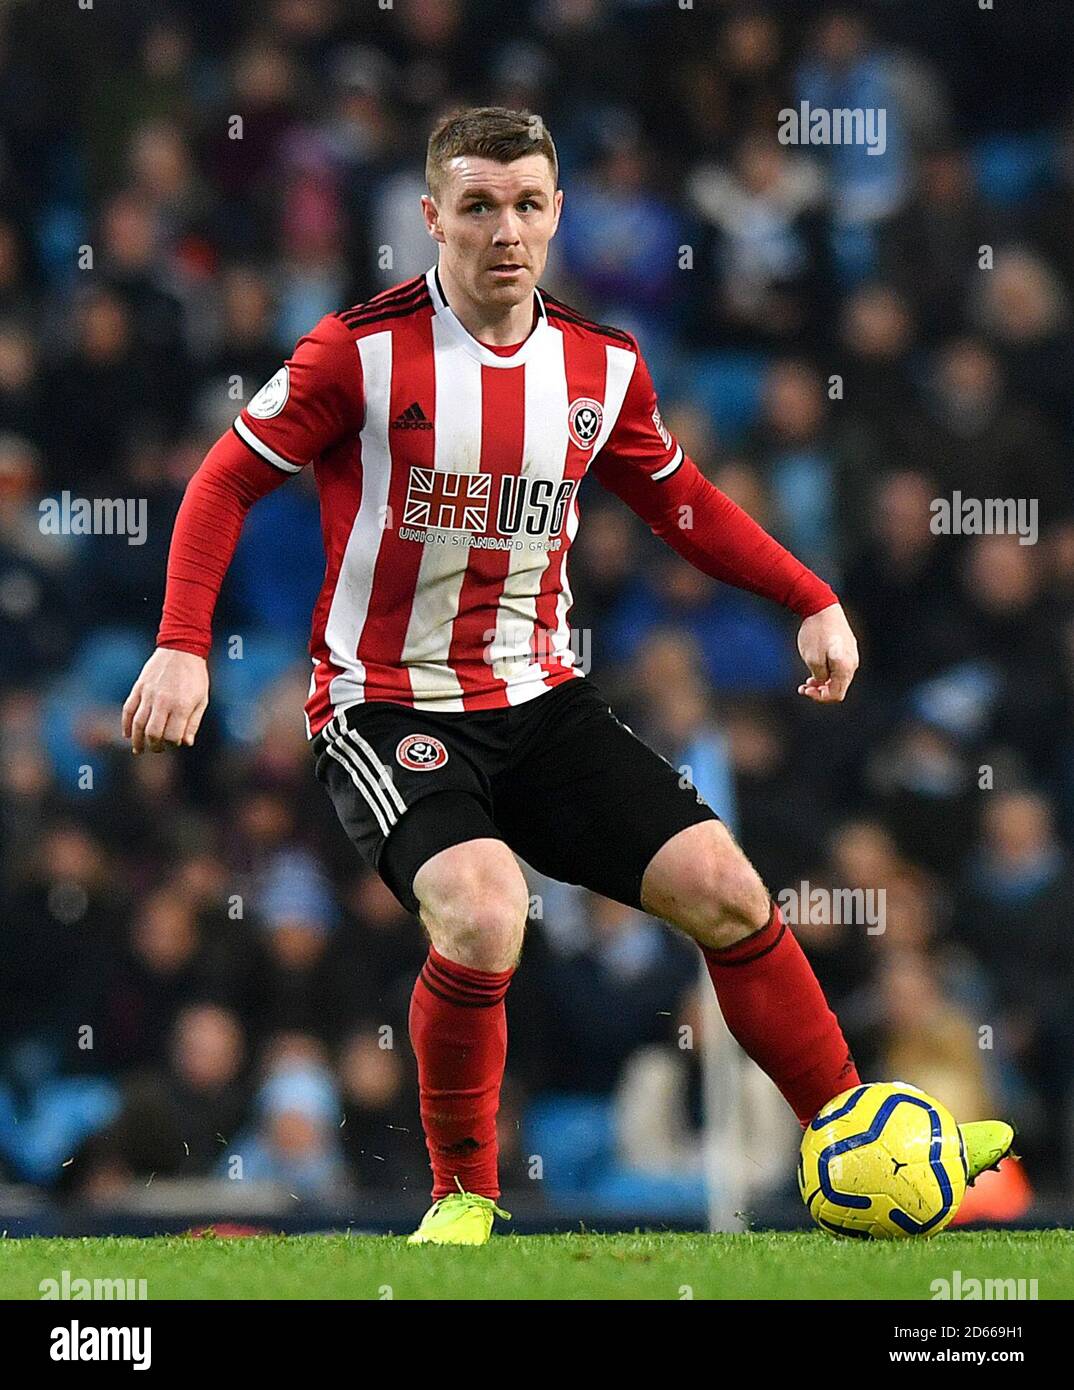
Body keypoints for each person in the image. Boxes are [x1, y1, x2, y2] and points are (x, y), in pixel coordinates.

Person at [122, 106, 1012, 1243]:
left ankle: (855, 1130)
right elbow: (223, 479)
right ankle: (463, 1197)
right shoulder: (359, 350)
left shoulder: (601, 365)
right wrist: (182, 643)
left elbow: (681, 503)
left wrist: (811, 596)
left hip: (541, 698)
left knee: (731, 892)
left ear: (558, 215)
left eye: (528, 204)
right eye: (480, 206)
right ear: (433, 215)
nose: (506, 230)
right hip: (386, 703)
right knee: (488, 912)